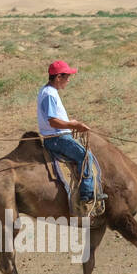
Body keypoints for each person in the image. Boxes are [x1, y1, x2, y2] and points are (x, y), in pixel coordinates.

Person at [36, 59, 100, 209]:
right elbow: (53, 122)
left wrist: (70, 122)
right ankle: (87, 194)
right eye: (67, 77)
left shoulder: (47, 91)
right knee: (85, 156)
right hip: (57, 138)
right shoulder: (50, 95)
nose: (69, 80)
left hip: (56, 136)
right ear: (58, 77)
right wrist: (73, 125)